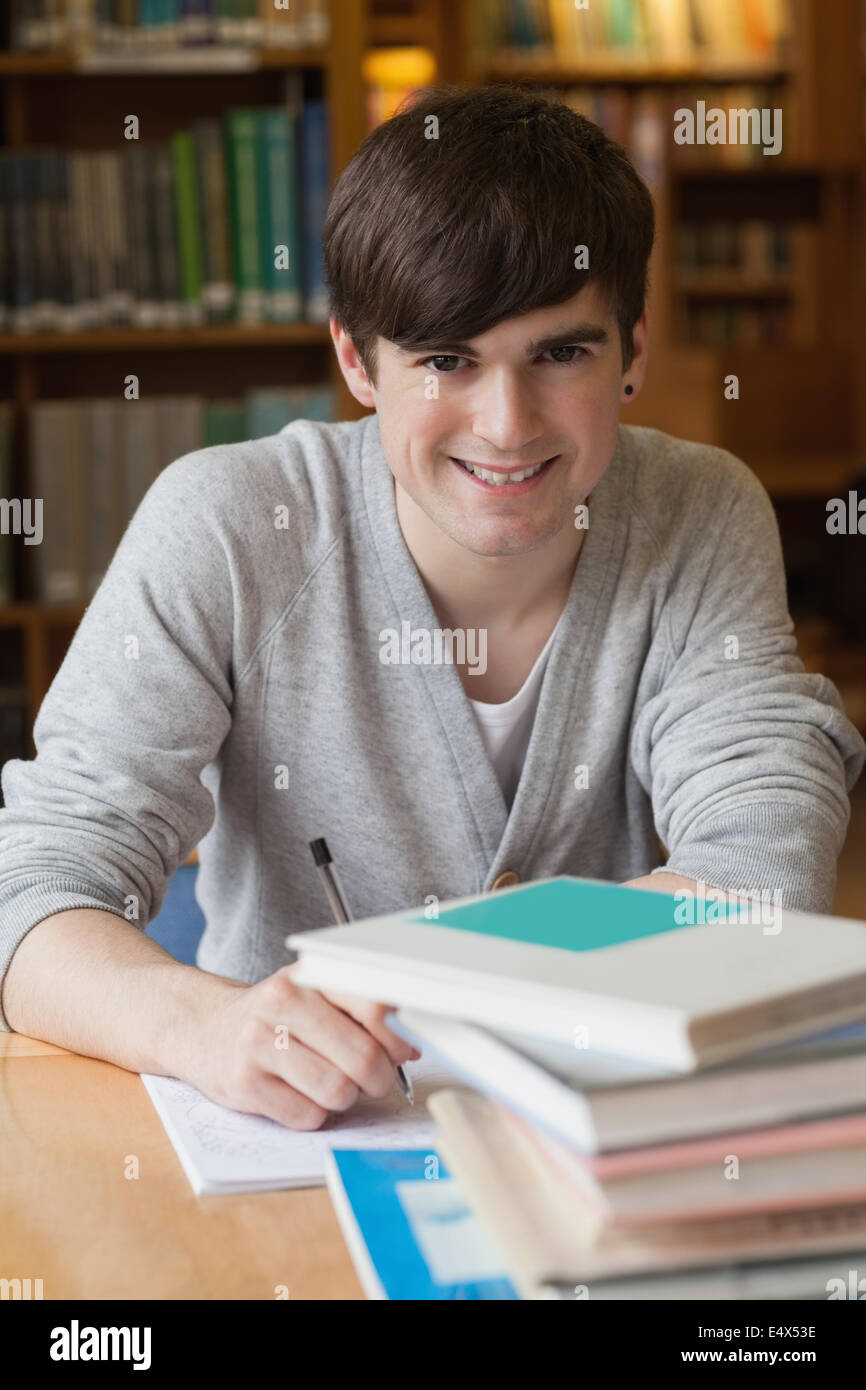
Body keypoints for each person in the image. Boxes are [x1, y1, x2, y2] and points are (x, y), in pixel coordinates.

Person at [1, 86, 862, 1130]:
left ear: (632, 350)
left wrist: (438, 976)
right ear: (357, 362)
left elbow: (760, 871)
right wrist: (205, 1027)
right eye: (446, 360)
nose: (505, 426)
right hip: (292, 1150)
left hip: (597, 1148)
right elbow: (35, 891)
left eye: (560, 352)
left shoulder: (700, 510)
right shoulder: (225, 523)